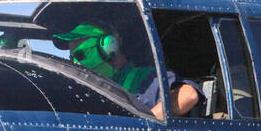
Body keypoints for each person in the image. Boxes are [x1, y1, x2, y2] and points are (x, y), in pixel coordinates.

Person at [54, 23, 202, 119]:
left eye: (80, 55)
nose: (74, 62)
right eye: (71, 57)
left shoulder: (145, 77)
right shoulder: (90, 88)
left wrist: (147, 122)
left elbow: (188, 94)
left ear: (108, 47)